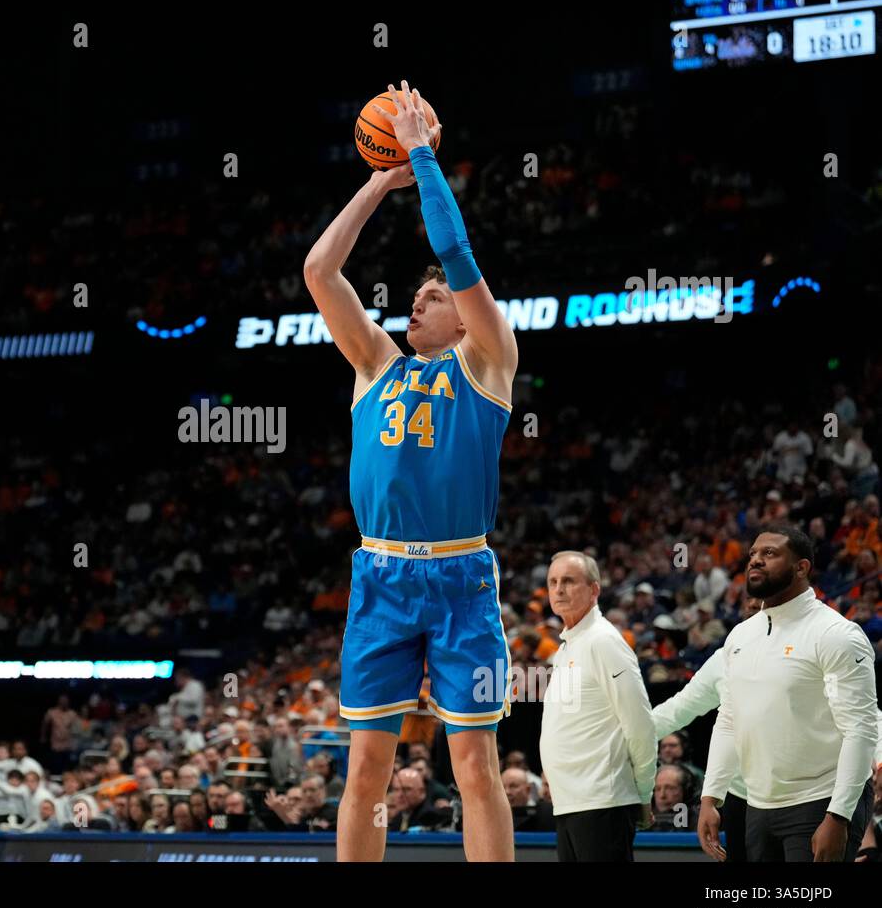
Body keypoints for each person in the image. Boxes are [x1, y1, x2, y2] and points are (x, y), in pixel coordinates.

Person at [303, 80, 517, 863]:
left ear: (465, 314)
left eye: (431, 298)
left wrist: (422, 155)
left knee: (473, 766)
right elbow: (321, 272)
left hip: (463, 582)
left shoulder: (489, 361)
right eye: (417, 297)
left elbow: (457, 256)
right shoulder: (375, 366)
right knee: (365, 769)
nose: (415, 306)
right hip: (382, 580)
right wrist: (378, 179)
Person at [700, 525, 878, 862]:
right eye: (753, 554)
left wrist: (838, 815)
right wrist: (711, 796)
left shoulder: (836, 634)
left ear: (802, 568)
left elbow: (861, 729)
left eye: (769, 554)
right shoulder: (739, 636)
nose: (755, 561)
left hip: (821, 801)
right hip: (759, 803)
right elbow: (729, 719)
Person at [541, 551, 656, 861]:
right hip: (570, 803)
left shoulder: (604, 641)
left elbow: (640, 725)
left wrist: (643, 794)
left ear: (594, 590)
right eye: (553, 582)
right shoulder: (566, 647)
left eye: (568, 581)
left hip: (602, 803)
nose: (559, 589)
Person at [652, 650, 750, 861]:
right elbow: (677, 709)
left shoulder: (809, 640)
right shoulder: (726, 656)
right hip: (740, 795)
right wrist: (622, 739)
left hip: (800, 793)